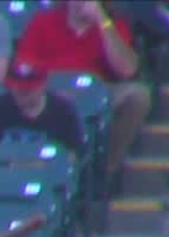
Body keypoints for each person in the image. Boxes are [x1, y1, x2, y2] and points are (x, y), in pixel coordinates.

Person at [15, 0, 148, 182]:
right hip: (50, 94)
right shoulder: (43, 22)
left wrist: (102, 21)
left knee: (137, 96)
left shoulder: (112, 24)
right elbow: (25, 68)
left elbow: (127, 69)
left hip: (96, 94)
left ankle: (103, 172)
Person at [0, 59, 85, 161]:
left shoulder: (62, 110)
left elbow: (72, 155)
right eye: (18, 88)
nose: (22, 93)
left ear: (41, 85)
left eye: (27, 89)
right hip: (6, 174)